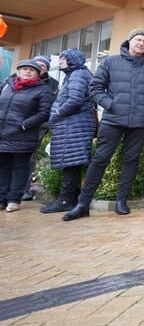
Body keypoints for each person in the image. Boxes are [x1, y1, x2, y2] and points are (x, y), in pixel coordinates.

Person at [63, 27, 144, 221]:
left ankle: (121, 200)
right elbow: (95, 88)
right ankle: (83, 203)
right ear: (130, 41)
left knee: (131, 160)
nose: (141, 43)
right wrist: (110, 104)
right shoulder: (111, 62)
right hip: (113, 120)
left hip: (139, 122)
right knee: (100, 159)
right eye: (138, 39)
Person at [42, 50, 94, 214]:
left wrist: (58, 113)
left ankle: (66, 200)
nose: (61, 61)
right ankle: (70, 199)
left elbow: (75, 100)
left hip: (74, 125)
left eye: (63, 58)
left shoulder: (78, 75)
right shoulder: (76, 74)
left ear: (72, 60)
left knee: (69, 163)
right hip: (74, 125)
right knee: (71, 162)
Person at [0, 60, 54, 212]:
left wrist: (25, 124)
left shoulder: (43, 90)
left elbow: (44, 113)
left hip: (23, 135)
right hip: (3, 134)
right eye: (24, 69)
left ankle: (14, 200)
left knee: (20, 168)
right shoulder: (7, 85)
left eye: (32, 70)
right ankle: (1, 199)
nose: (28, 72)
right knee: (2, 167)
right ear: (18, 71)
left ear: (38, 73)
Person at [21, 54, 59, 201]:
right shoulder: (15, 81)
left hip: (38, 125)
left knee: (29, 156)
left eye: (43, 65)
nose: (39, 67)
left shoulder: (52, 84)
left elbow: (49, 107)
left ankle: (25, 189)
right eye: (37, 64)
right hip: (14, 124)